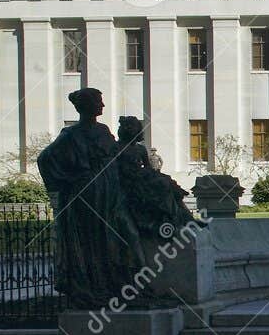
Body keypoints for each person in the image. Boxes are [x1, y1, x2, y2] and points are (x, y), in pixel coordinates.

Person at [36, 88, 142, 308]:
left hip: (111, 194)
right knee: (93, 242)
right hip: (88, 196)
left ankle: (121, 285)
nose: (102, 106)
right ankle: (98, 288)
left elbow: (118, 156)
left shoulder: (103, 131)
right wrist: (70, 179)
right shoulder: (71, 134)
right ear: (86, 105)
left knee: (120, 237)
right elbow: (45, 159)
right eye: (99, 102)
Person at [116, 116, 196, 237]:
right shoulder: (117, 148)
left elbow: (148, 167)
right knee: (161, 185)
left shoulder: (140, 149)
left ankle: (186, 218)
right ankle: (171, 220)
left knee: (167, 182)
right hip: (128, 182)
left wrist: (154, 175)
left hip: (142, 178)